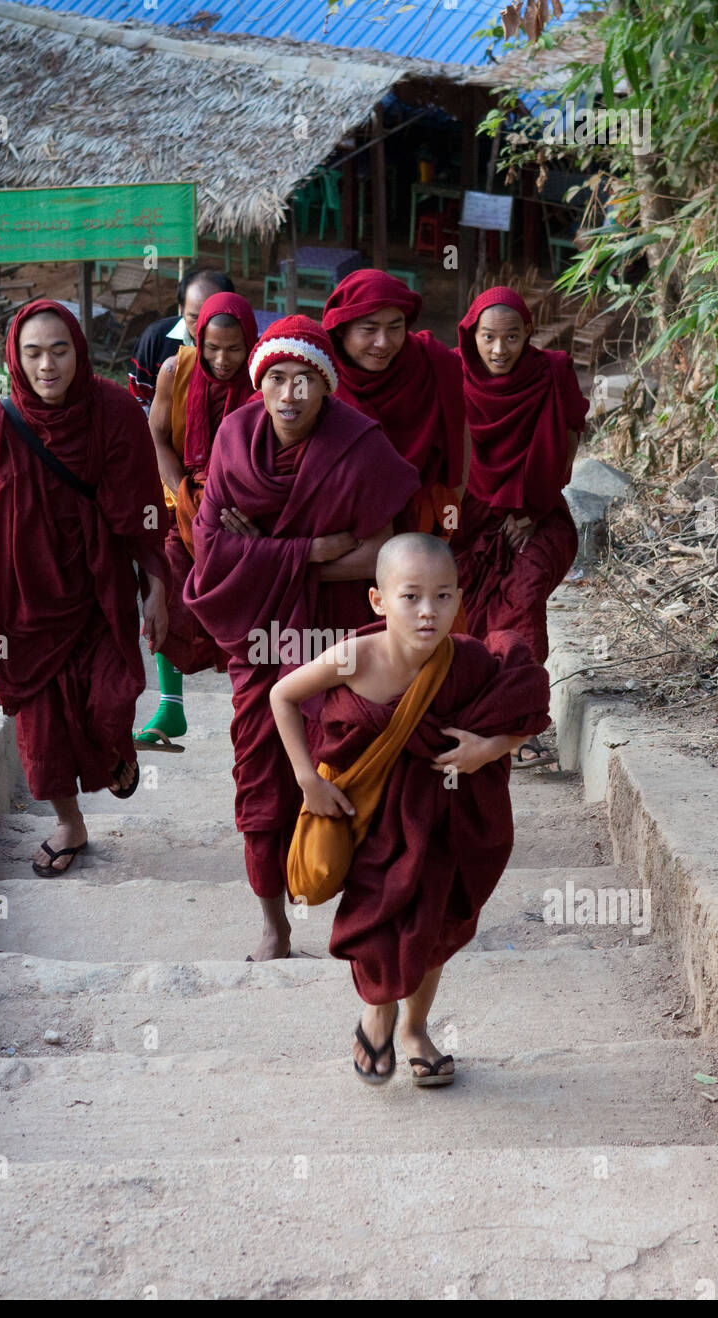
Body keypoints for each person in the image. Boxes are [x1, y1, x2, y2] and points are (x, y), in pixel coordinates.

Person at [270, 533, 550, 1083]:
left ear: (459, 597)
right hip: (373, 815)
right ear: (378, 601)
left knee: (435, 921)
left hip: (443, 819)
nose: (429, 611)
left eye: (443, 596)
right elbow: (282, 694)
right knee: (378, 919)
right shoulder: (355, 656)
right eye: (411, 596)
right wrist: (307, 780)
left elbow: (527, 705)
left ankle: (415, 1029)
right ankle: (377, 1014)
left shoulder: (468, 661)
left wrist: (486, 750)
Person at [184, 316, 420, 962]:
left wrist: (268, 552)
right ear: (259, 385)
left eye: (304, 381)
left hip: (341, 631)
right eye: (277, 380)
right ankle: (273, 924)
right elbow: (209, 551)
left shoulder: (360, 447)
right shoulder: (234, 443)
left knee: (353, 768)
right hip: (260, 636)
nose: (289, 395)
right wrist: (310, 549)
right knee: (261, 772)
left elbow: (384, 554)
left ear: (326, 387)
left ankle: (366, 912)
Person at [0, 300, 169, 876]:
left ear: (79, 351)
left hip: (99, 589)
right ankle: (69, 822)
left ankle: (115, 746)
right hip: (26, 600)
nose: (48, 366)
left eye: (60, 350)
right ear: (15, 358)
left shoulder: (114, 412)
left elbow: (143, 509)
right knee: (41, 723)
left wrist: (157, 586)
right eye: (33, 353)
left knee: (109, 698)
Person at [454, 286, 588, 765]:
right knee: (465, 608)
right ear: (473, 334)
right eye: (489, 337)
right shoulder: (454, 374)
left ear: (528, 334)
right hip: (470, 520)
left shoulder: (550, 372)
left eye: (511, 337)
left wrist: (532, 506)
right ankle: (474, 716)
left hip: (540, 515)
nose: (499, 349)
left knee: (523, 597)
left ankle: (519, 723)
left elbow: (568, 441)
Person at [136, 291, 258, 750]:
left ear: (250, 343)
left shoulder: (263, 378)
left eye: (233, 348)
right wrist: (182, 492)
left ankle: (251, 708)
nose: (222, 360)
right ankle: (171, 707)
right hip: (184, 501)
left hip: (241, 511)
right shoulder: (176, 370)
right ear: (197, 339)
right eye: (212, 347)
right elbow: (158, 437)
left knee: (243, 612)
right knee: (167, 594)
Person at [321, 269, 467, 538]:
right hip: (338, 527)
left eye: (395, 327)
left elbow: (461, 445)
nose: (383, 342)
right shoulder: (317, 374)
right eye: (369, 329)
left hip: (421, 522)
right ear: (341, 328)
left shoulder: (433, 364)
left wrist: (445, 528)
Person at [127, 267, 235, 410]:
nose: (202, 326)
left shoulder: (244, 346)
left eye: (212, 317)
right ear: (181, 309)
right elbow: (139, 396)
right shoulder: (156, 338)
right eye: (194, 317)